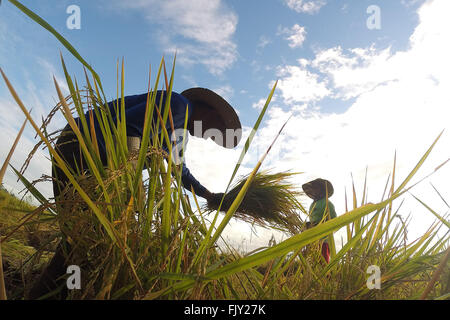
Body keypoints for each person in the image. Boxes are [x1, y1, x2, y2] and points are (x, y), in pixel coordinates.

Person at [29, 87, 241, 299]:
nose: (206, 138)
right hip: (84, 149)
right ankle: (48, 294)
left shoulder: (179, 134)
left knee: (79, 238)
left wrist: (209, 196)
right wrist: (129, 187)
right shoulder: (180, 105)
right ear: (211, 113)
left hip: (87, 154)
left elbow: (179, 170)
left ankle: (56, 292)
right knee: (83, 237)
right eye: (213, 132)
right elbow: (128, 127)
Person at [302, 178, 337, 264]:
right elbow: (312, 219)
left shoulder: (327, 203)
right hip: (312, 238)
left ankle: (326, 277)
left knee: (323, 262)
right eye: (313, 189)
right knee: (312, 262)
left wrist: (321, 226)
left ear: (322, 190)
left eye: (317, 188)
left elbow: (334, 220)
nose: (314, 191)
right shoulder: (312, 205)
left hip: (323, 240)